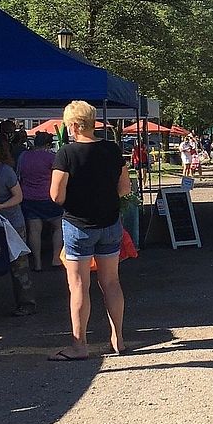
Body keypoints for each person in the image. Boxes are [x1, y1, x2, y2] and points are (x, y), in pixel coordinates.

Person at [49, 100, 130, 359]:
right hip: (110, 224)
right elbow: (125, 188)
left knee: (79, 286)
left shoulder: (66, 154)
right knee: (111, 282)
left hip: (78, 226)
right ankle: (118, 339)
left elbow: (56, 196)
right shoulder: (112, 150)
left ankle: (79, 346)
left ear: (73, 125)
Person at [0, 131, 37, 319]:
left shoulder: (6, 172)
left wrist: (1, 206)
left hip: (12, 225)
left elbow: (18, 197)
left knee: (19, 265)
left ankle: (27, 304)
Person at [17, 131, 64, 272]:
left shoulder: (23, 156)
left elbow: (19, 175)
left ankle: (37, 263)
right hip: (49, 197)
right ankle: (56, 259)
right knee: (58, 227)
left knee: (34, 231)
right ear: (48, 144)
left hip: (29, 198)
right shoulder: (52, 157)